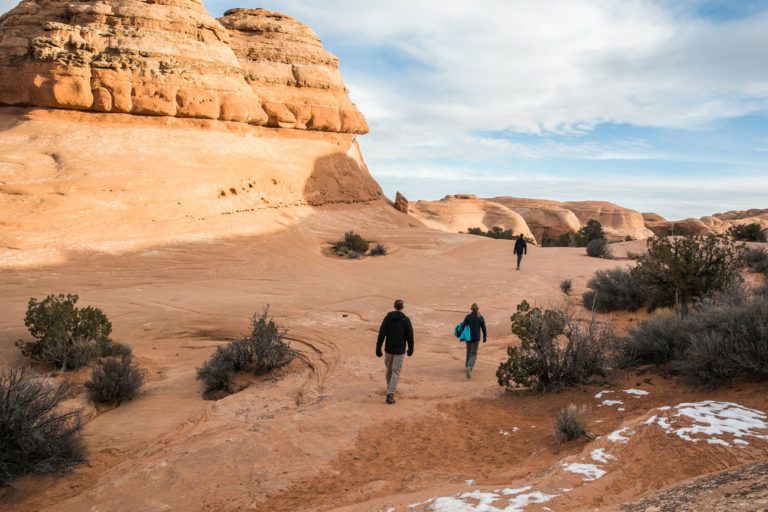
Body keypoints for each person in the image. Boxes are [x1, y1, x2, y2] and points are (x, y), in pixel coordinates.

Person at [376, 299, 414, 404]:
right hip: (400, 350)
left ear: (394, 306)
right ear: (402, 307)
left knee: (389, 370)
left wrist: (378, 347)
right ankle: (390, 393)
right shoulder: (405, 320)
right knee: (395, 371)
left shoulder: (387, 318)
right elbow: (410, 336)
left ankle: (390, 389)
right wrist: (411, 348)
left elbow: (381, 334)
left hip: (389, 349)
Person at [459, 303, 487, 379]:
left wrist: (460, 332)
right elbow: (484, 328)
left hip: (468, 338)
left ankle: (467, 366)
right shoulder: (480, 317)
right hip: (476, 338)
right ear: (478, 309)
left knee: (468, 351)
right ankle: (469, 367)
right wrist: (484, 337)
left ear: (471, 309)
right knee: (473, 353)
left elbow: (463, 325)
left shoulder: (468, 317)